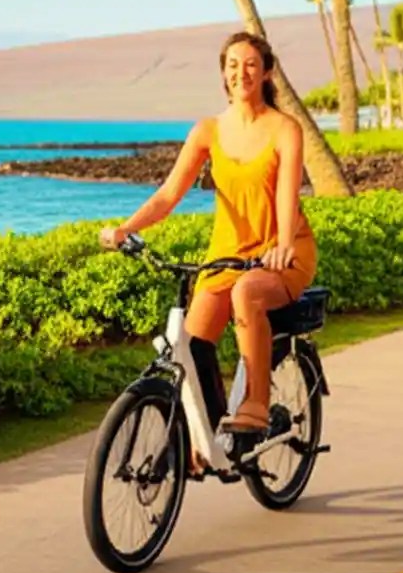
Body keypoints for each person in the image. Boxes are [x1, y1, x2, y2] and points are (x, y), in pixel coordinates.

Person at [99, 31, 318, 440]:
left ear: (267, 71)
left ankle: (256, 405)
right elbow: (167, 195)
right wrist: (127, 228)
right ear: (223, 73)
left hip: (280, 255)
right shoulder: (208, 131)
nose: (241, 72)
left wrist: (283, 244)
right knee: (191, 346)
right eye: (233, 65)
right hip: (225, 257)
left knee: (247, 293)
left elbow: (288, 196)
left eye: (251, 64)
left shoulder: (285, 129)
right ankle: (210, 437)